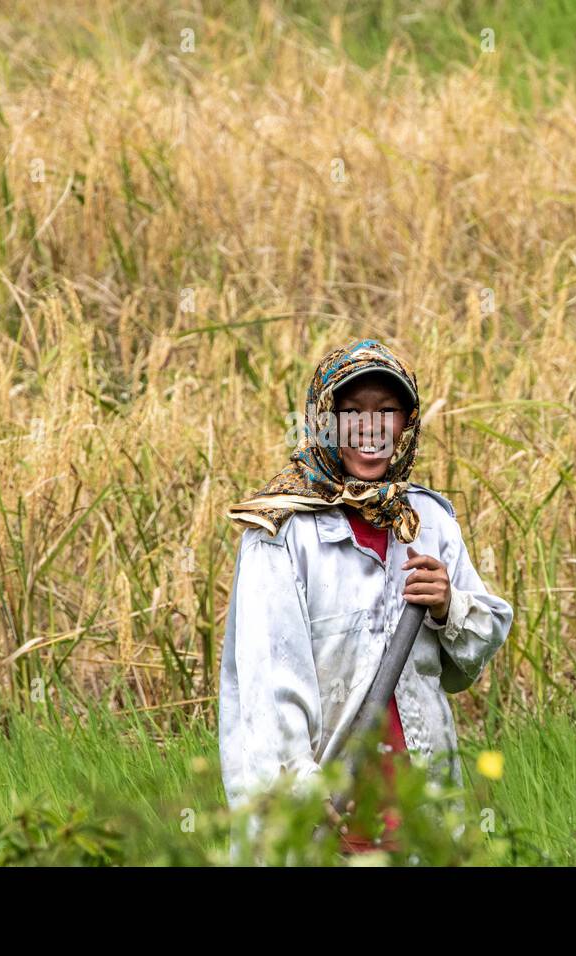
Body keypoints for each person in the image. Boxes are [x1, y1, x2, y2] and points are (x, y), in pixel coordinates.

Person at [219, 338, 513, 859]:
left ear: (407, 422)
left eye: (386, 412)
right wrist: (301, 790)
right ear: (324, 421)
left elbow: (474, 655)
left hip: (418, 797)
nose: (370, 430)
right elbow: (267, 684)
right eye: (351, 413)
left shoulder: (425, 521)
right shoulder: (281, 532)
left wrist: (449, 607)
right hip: (327, 805)